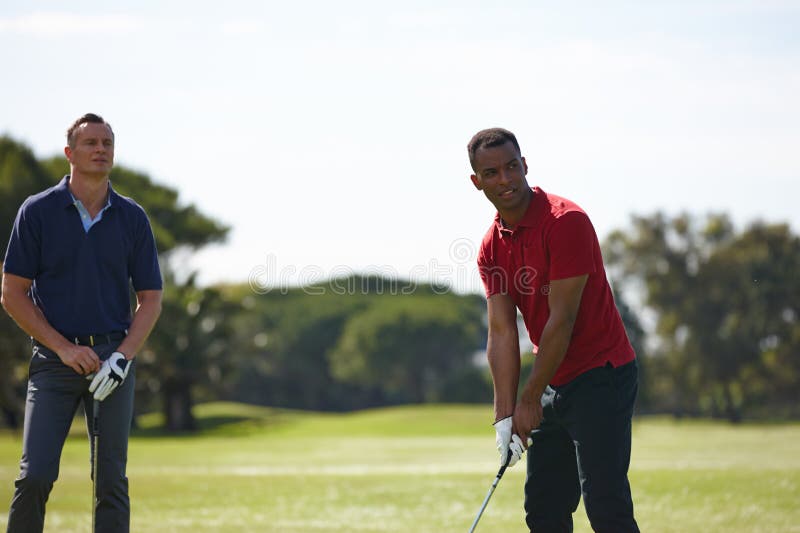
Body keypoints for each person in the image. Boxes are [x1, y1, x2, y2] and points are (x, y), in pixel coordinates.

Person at [468, 127, 640, 532]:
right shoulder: (492, 246)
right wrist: (504, 415)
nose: (505, 179)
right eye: (492, 173)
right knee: (544, 510)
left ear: (525, 165)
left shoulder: (566, 222)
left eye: (512, 167)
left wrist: (529, 399)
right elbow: (502, 331)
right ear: (477, 182)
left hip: (602, 374)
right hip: (553, 380)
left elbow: (562, 322)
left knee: (606, 506)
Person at [1, 113, 163, 532]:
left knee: (111, 481)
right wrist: (63, 348)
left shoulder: (132, 218)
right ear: (70, 153)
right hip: (54, 362)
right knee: (34, 475)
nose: (100, 150)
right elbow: (12, 294)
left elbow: (151, 300)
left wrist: (123, 358)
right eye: (90, 143)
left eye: (107, 143)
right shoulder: (36, 212)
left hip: (113, 362)